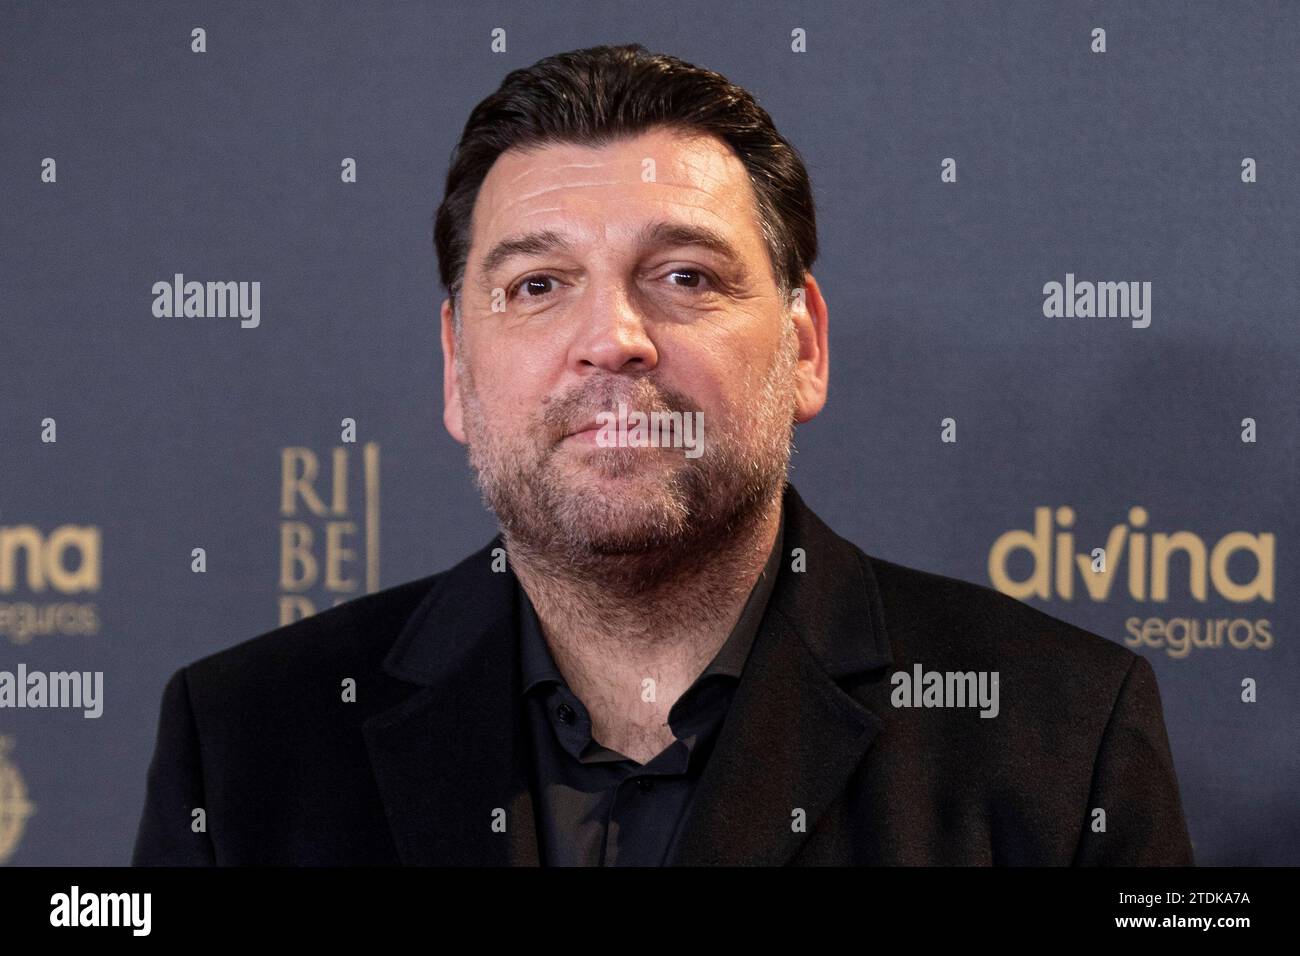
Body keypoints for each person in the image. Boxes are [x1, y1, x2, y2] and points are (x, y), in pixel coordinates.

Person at [133, 43, 1194, 866]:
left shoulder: (1058, 731)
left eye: (684, 275)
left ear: (805, 345)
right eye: (537, 284)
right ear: (457, 368)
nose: (615, 337)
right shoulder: (245, 742)